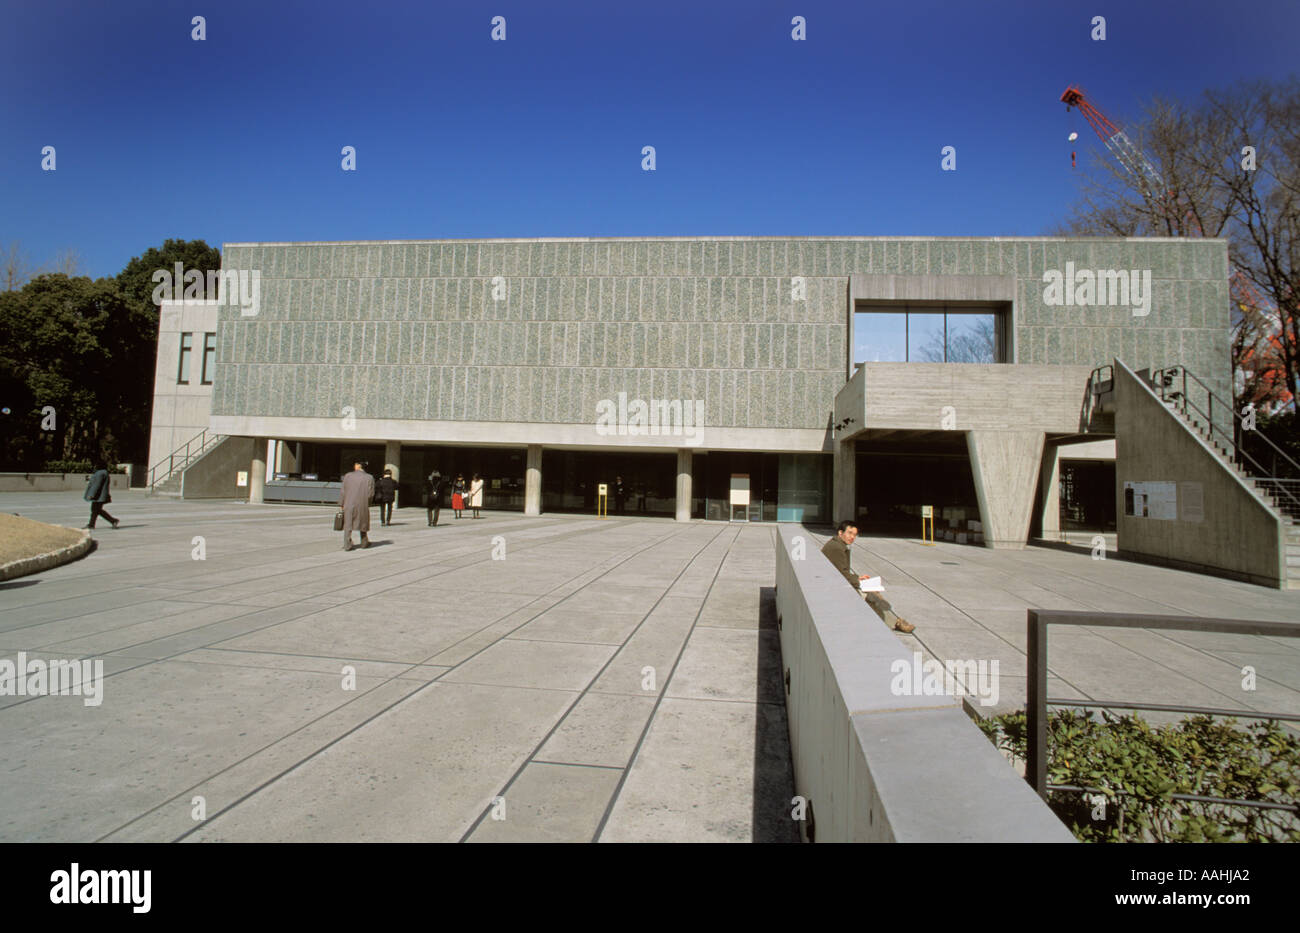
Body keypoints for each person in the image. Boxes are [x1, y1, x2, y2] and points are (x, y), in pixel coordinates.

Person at [820, 519, 915, 633]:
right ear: (840, 533)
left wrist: (858, 578)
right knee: (872, 596)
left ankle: (895, 621)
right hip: (833, 587)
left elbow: (841, 571)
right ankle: (896, 623)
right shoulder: (837, 548)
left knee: (873, 594)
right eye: (849, 533)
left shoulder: (838, 544)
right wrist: (859, 582)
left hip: (834, 583)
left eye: (855, 535)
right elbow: (843, 575)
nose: (852, 537)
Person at [339, 460, 374, 550]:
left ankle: (347, 544)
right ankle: (364, 542)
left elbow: (343, 491)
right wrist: (368, 503)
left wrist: (341, 503)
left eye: (355, 464)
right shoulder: (369, 477)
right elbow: (371, 494)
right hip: (363, 503)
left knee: (348, 523)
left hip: (348, 502)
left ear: (358, 466)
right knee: (363, 522)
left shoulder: (348, 476)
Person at [83, 462, 119, 530]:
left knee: (96, 510)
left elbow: (97, 485)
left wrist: (91, 495)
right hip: (100, 496)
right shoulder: (104, 472)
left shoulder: (100, 473)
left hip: (98, 496)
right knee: (96, 510)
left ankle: (113, 520)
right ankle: (92, 524)